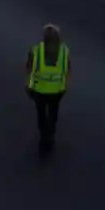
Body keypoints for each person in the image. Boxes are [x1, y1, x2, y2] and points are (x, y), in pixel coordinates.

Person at [25, 24, 69, 156]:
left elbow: (28, 68)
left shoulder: (36, 50)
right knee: (53, 112)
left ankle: (44, 133)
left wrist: (28, 85)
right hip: (57, 90)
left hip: (39, 90)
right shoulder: (64, 51)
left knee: (41, 113)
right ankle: (51, 133)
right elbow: (67, 69)